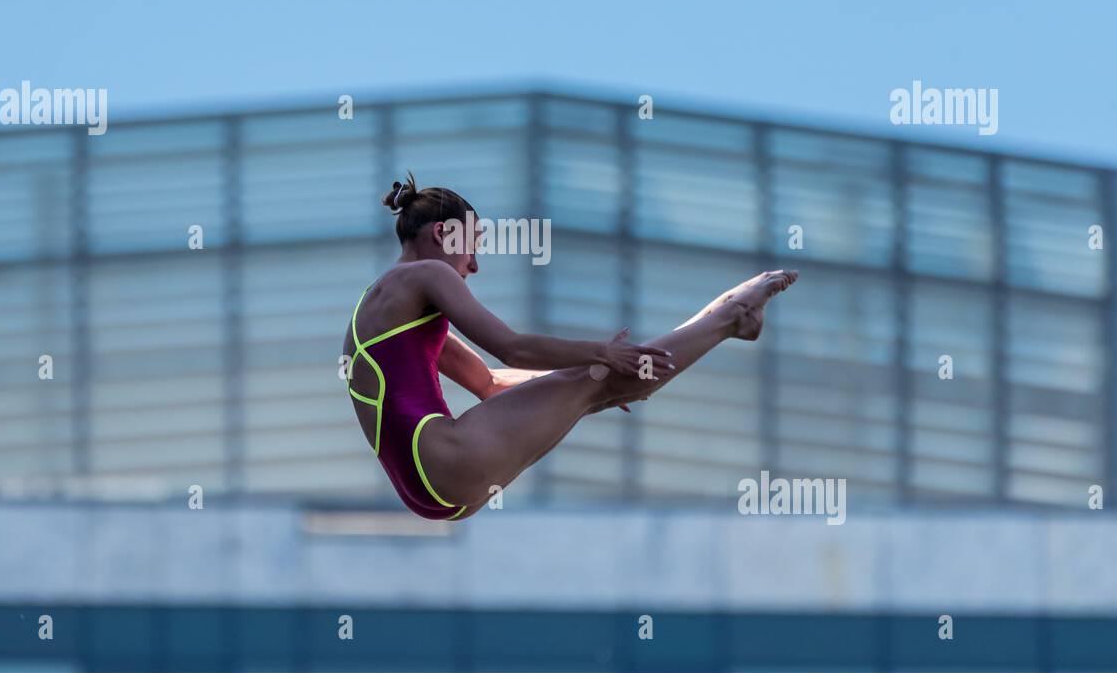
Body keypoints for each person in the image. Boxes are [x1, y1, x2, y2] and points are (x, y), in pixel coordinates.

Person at [342, 173, 798, 521]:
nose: (474, 266)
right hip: (447, 457)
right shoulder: (427, 274)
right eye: (472, 247)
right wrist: (598, 357)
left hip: (431, 493)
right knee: (603, 376)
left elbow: (489, 382)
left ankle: (727, 321)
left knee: (605, 384)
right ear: (442, 234)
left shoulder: (381, 306)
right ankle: (732, 316)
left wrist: (582, 384)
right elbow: (512, 348)